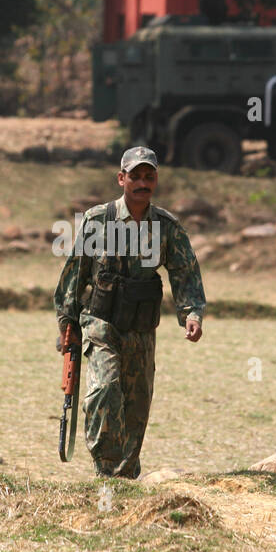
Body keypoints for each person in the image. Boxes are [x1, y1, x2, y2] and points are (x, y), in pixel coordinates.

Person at [54, 146, 206, 479]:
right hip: (101, 324)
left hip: (141, 330)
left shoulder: (166, 227)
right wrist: (67, 322)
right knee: (105, 391)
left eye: (148, 176)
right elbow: (75, 273)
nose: (141, 182)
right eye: (134, 176)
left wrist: (192, 314)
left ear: (155, 181)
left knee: (136, 407)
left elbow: (185, 272)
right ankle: (106, 472)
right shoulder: (98, 219)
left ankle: (125, 478)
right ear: (121, 179)